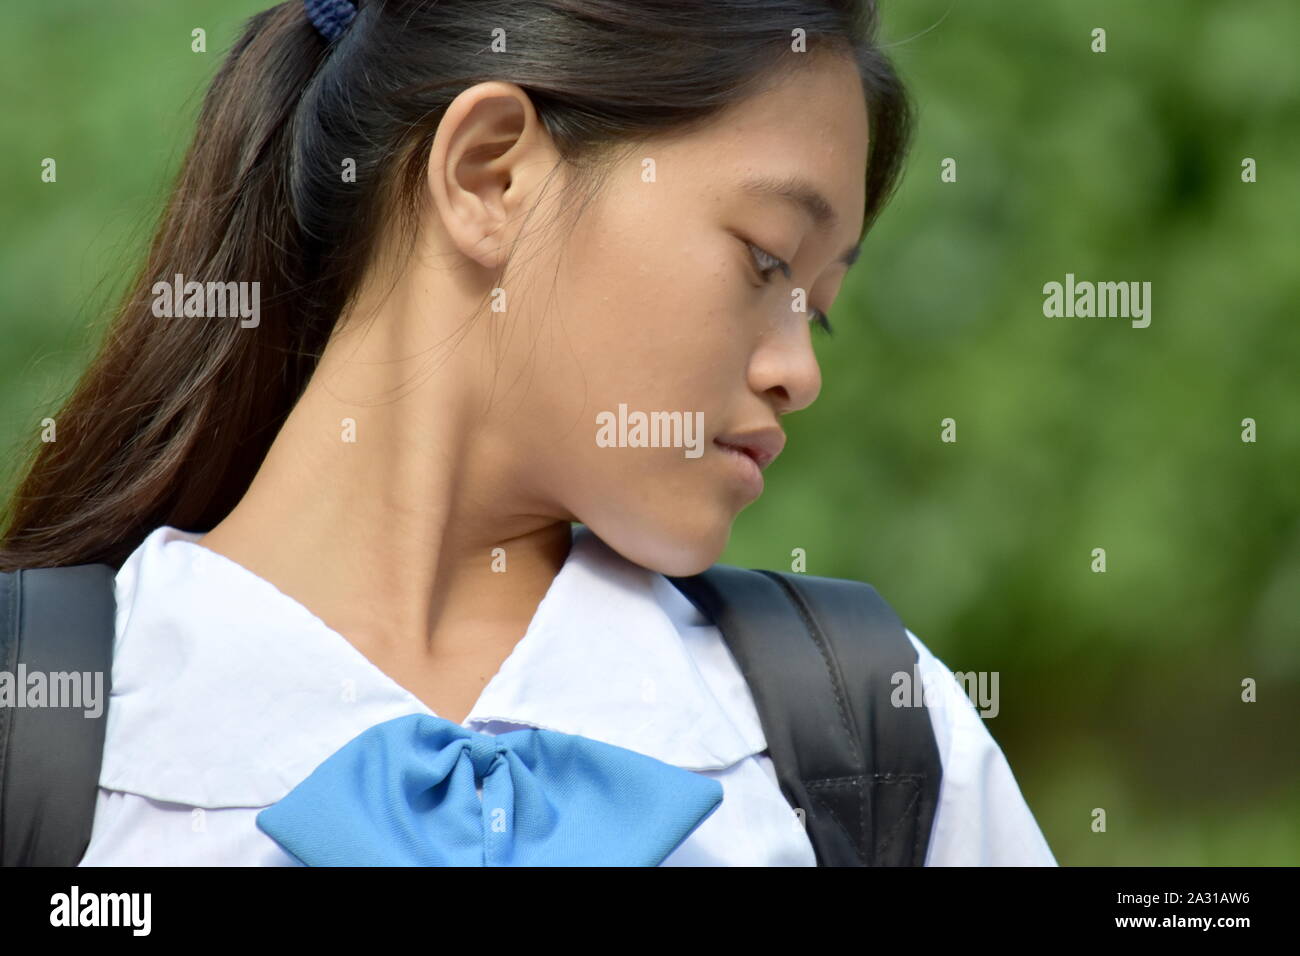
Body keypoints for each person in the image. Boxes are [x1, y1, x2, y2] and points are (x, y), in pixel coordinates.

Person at [0, 0, 1057, 866]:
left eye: (816, 306)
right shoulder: (41, 735)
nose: (800, 371)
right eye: (768, 260)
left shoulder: (866, 735)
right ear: (490, 175)